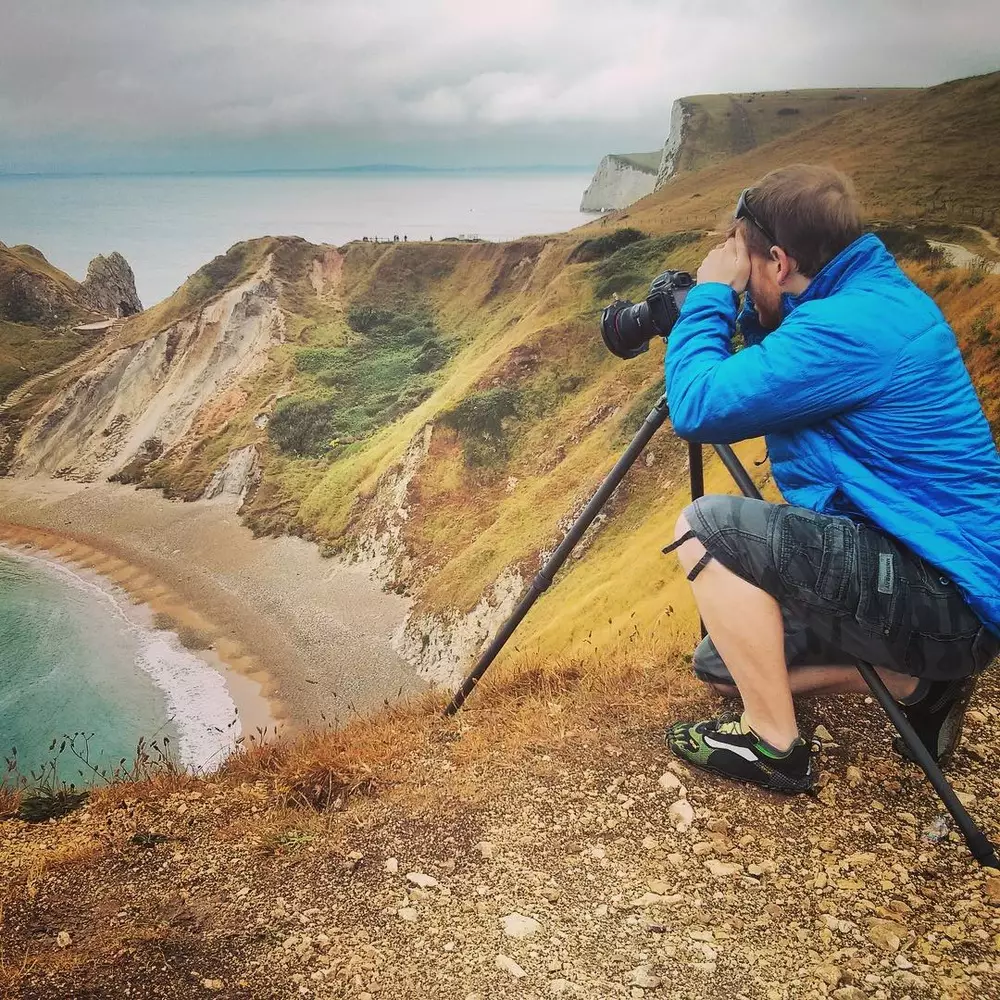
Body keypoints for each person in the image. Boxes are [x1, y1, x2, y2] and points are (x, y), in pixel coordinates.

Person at [663, 164, 1000, 793]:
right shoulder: (869, 297)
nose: (740, 271)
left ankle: (775, 747)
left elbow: (697, 406)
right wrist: (754, 303)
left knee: (705, 526)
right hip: (935, 574)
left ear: (781, 263)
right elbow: (782, 363)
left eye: (749, 262)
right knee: (725, 666)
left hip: (946, 589)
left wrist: (710, 298)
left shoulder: (847, 330)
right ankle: (923, 685)